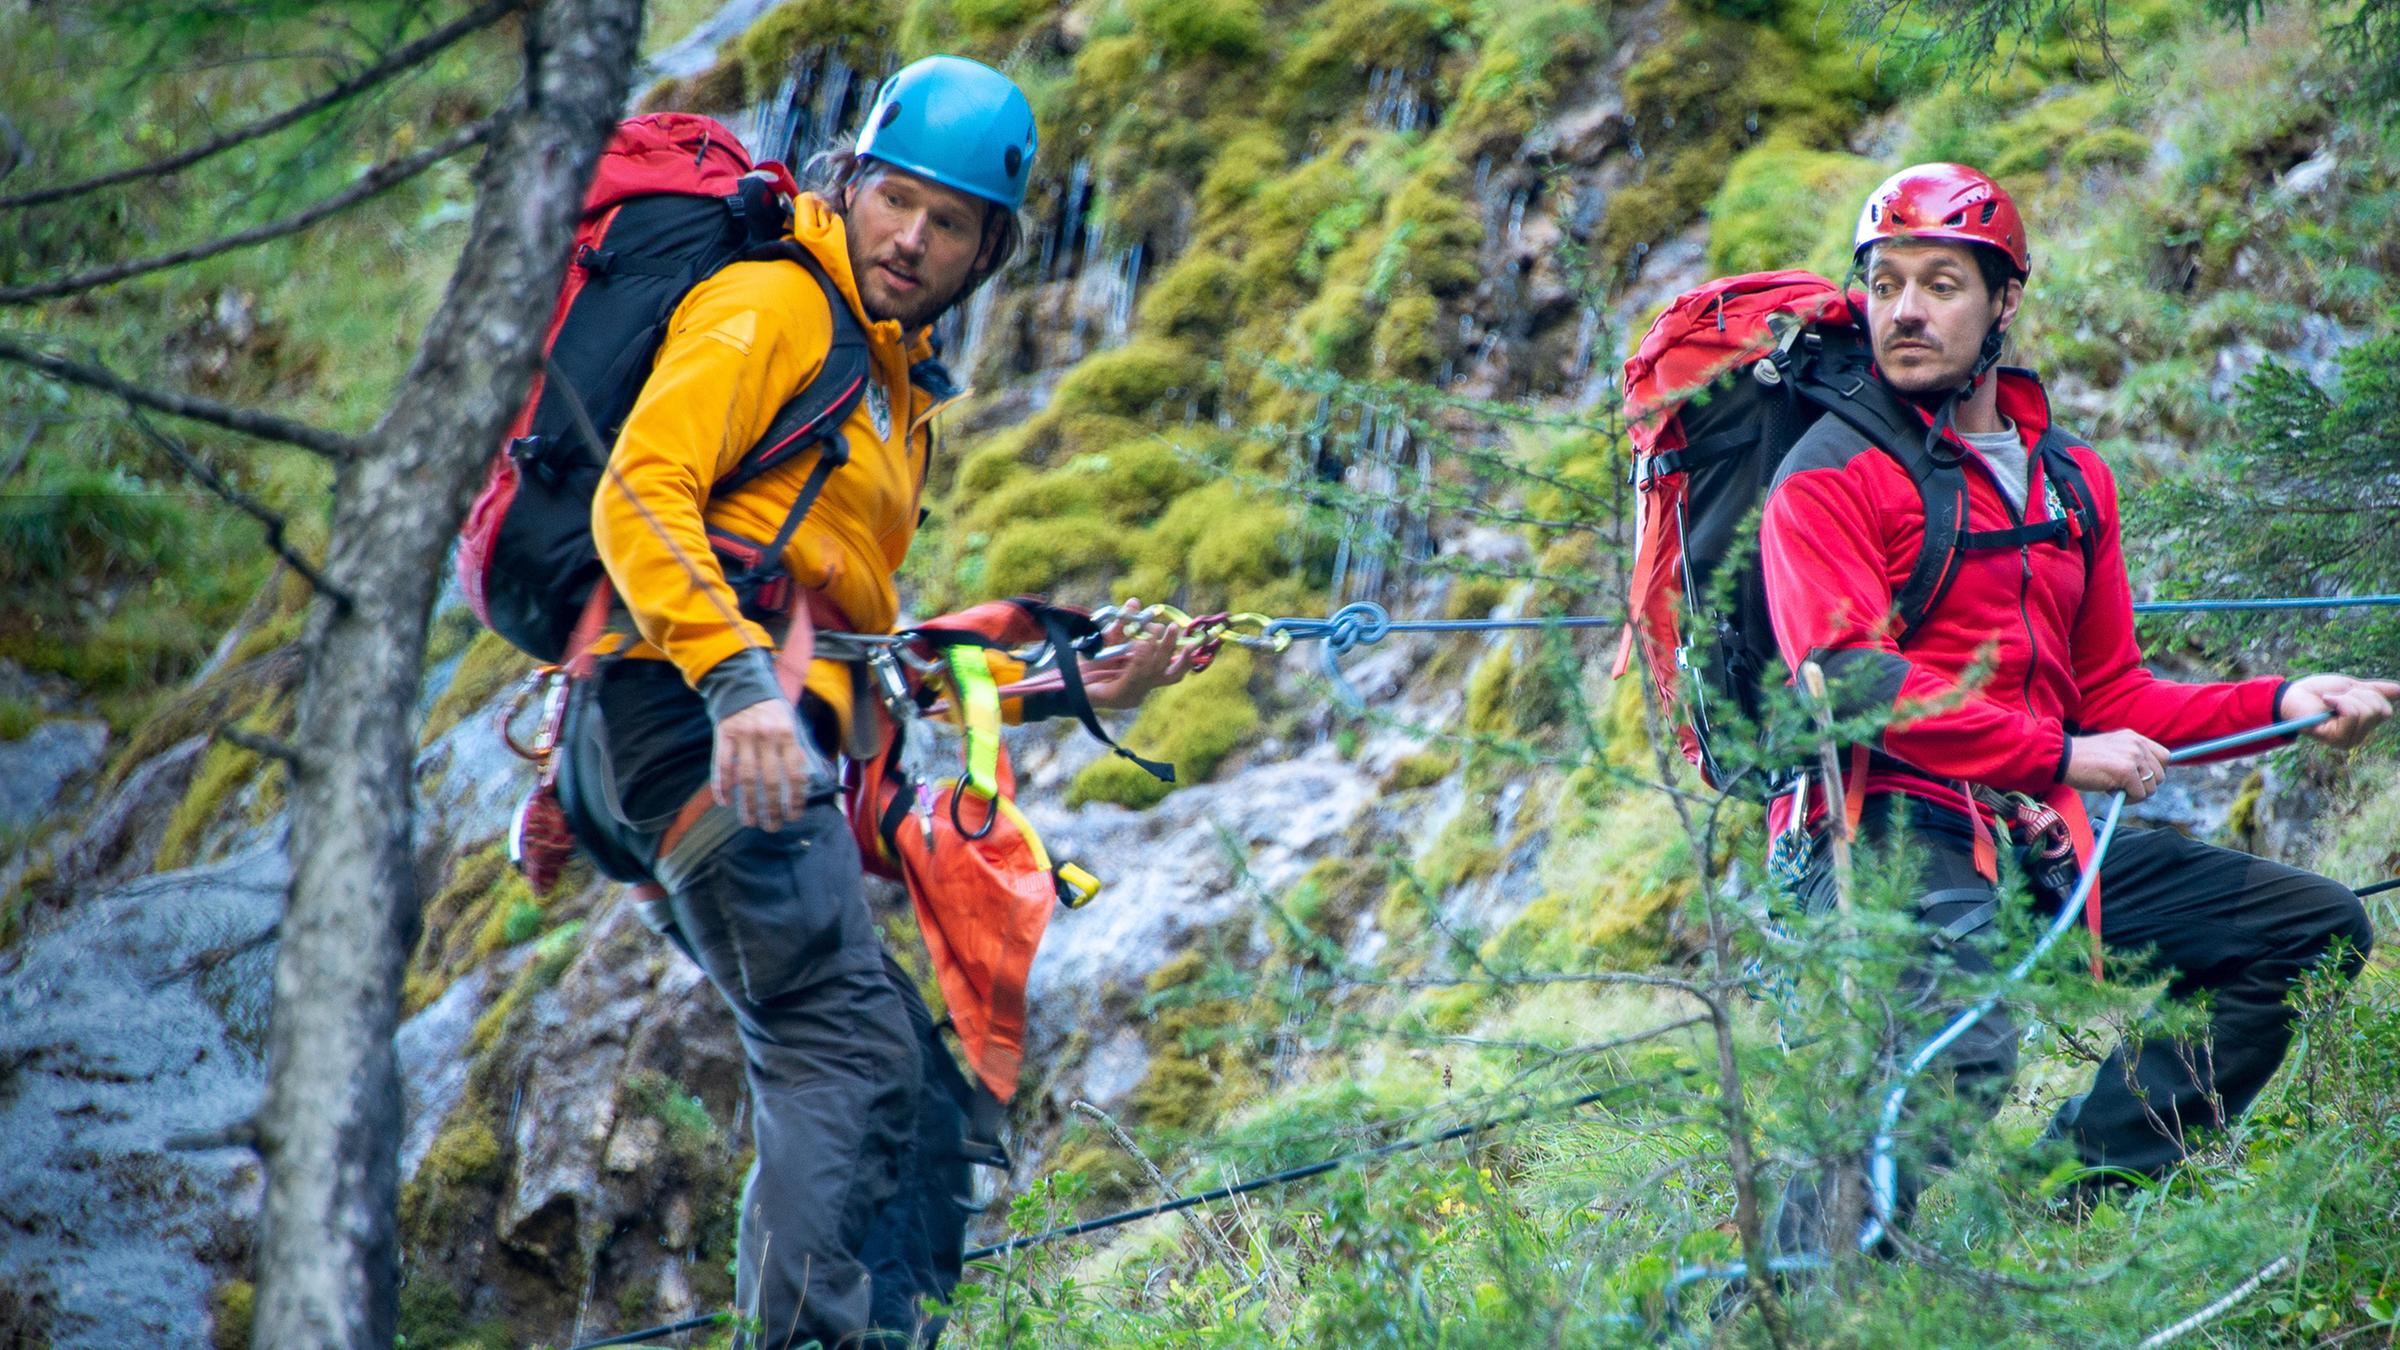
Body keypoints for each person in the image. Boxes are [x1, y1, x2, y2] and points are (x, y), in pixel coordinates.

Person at [562, 56, 1202, 1346]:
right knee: (843, 1049)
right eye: (896, 199)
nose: (912, 237)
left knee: (899, 1072)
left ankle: (898, 1330)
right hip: (686, 716)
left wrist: (1066, 685)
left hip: (696, 724)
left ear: (986, 253)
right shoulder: (774, 309)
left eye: (949, 221)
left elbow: (859, 655)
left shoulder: (887, 386)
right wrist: (739, 684)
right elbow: (639, 494)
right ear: (848, 183)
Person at [1758, 162, 2396, 1249]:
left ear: (2005, 300)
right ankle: (1792, 1300)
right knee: (1956, 1046)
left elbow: (2116, 694)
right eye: (1886, 282)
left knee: (2310, 929)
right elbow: (1849, 682)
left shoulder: (2067, 480)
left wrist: (2288, 700)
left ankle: (2061, 1213)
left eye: (1943, 282)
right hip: (1881, 831)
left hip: (2030, 838)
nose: (1906, 309)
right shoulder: (1829, 475)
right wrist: (2060, 751)